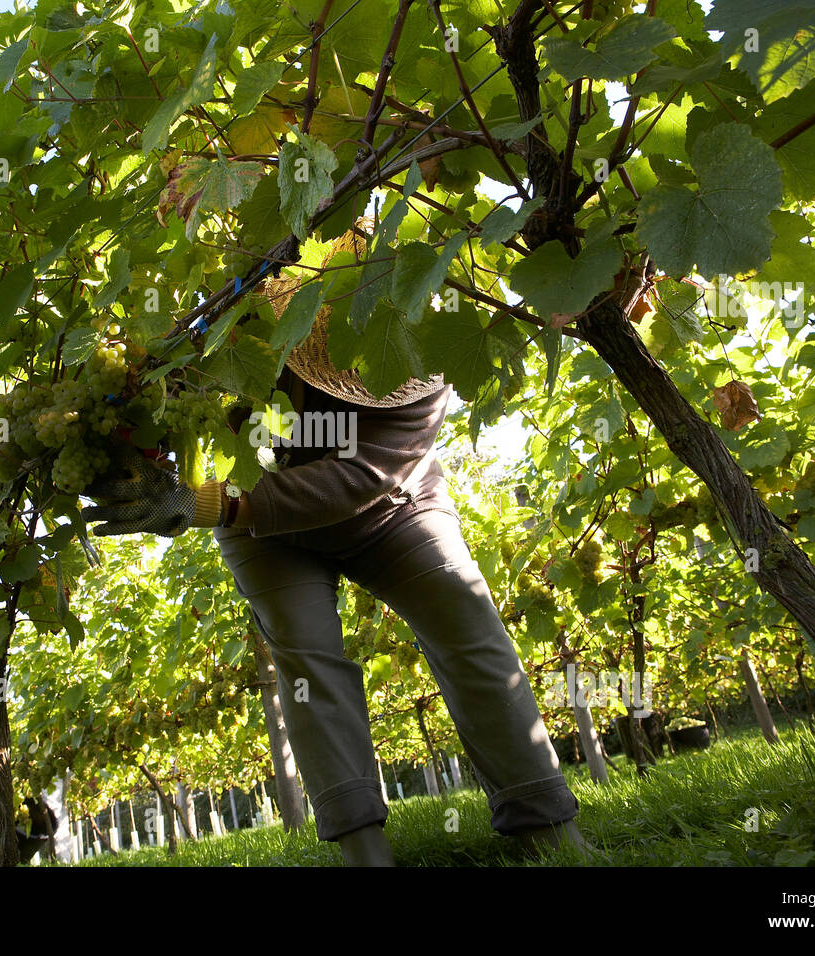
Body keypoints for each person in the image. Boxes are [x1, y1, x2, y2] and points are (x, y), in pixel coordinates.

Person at [82, 280, 586, 867]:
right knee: (307, 652)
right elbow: (166, 420)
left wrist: (207, 505)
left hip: (390, 509)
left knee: (461, 608)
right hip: (261, 525)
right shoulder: (227, 335)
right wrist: (129, 447)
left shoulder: (423, 368)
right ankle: (365, 853)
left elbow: (360, 476)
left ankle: (546, 824)